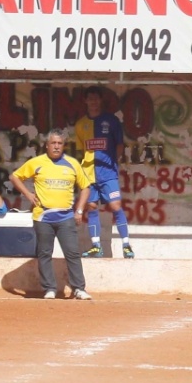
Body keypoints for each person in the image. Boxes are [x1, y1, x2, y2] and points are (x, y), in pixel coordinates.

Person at [11, 130, 93, 300]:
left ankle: (79, 288)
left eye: (59, 143)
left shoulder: (72, 163)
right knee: (44, 253)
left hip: (66, 217)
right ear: (47, 145)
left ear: (63, 146)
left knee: (72, 252)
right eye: (53, 143)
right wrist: (28, 195)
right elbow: (15, 176)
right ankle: (49, 288)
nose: (56, 146)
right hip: (43, 217)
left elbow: (85, 187)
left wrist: (79, 210)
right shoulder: (37, 162)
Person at [75, 86, 135, 259]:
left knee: (116, 206)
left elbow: (119, 144)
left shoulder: (111, 121)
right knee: (92, 207)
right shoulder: (80, 125)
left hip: (108, 173)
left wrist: (113, 162)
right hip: (88, 174)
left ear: (100, 100)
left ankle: (126, 245)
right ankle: (96, 246)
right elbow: (82, 151)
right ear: (85, 101)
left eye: (96, 98)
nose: (93, 101)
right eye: (90, 98)